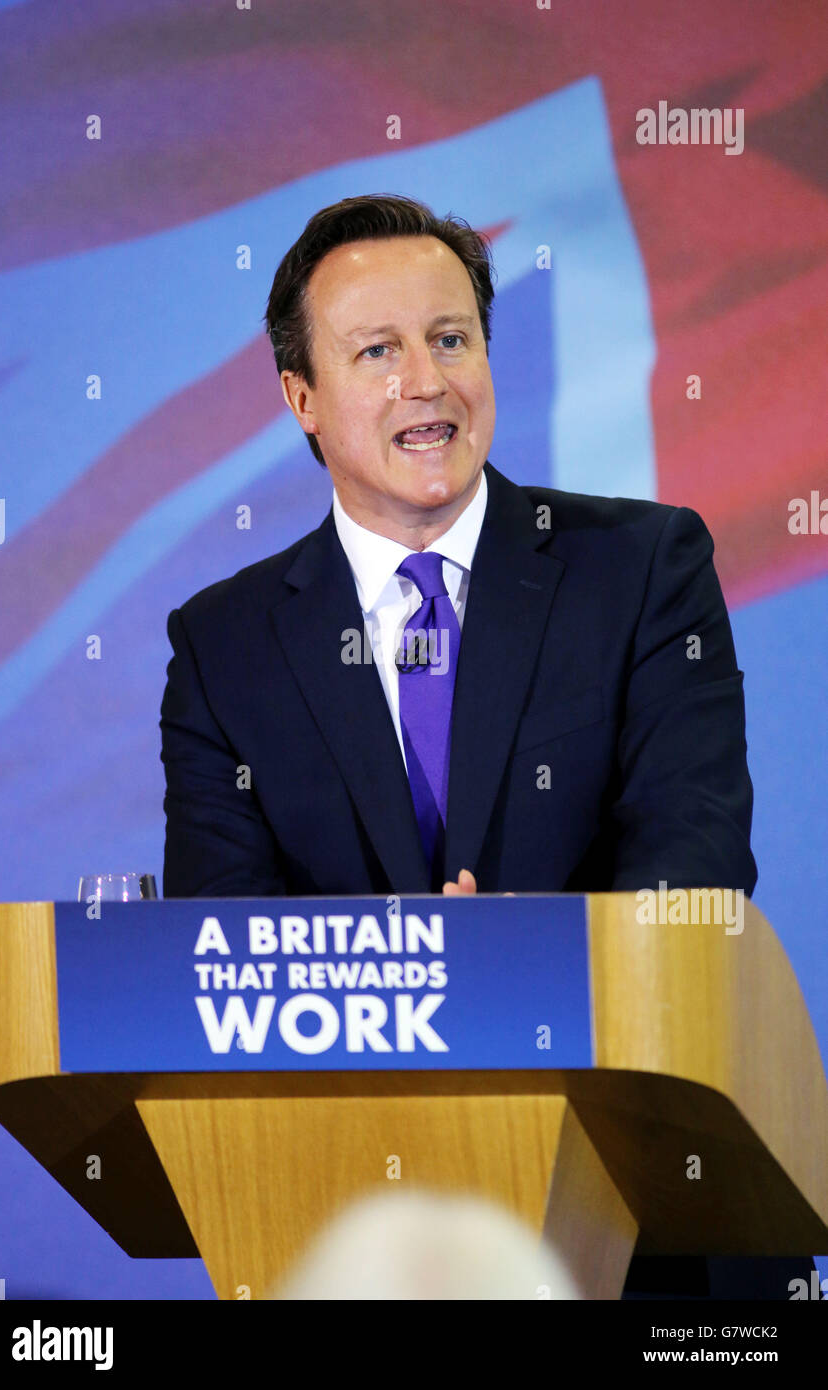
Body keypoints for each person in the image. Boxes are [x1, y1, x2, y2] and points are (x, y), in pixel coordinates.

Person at [159, 193, 809, 1300]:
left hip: (646, 1225)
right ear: (301, 399)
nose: (427, 380)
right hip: (355, 1237)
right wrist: (421, 981)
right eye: (378, 350)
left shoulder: (641, 568)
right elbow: (223, 949)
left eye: (450, 338)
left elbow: (694, 869)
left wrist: (534, 972)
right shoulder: (224, 646)